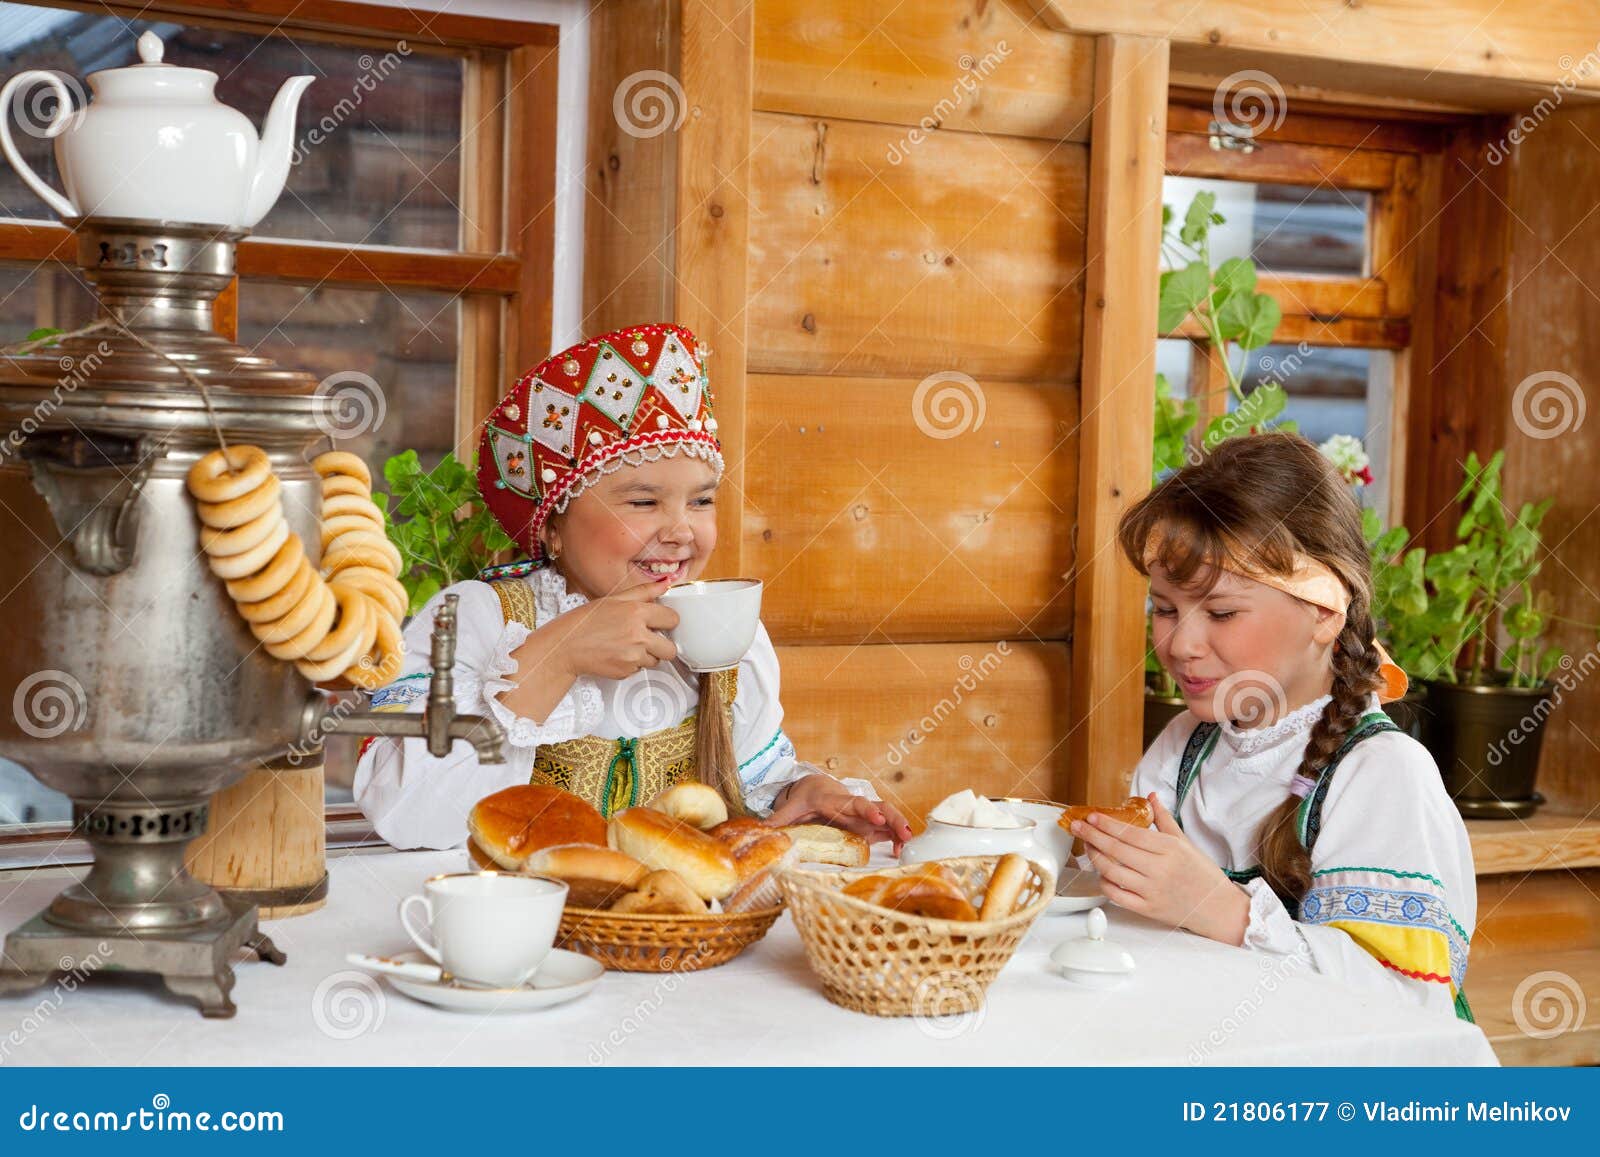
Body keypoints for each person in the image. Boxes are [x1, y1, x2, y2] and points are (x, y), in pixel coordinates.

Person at [353, 322, 912, 853]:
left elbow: (752, 778)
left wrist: (799, 793)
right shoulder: (476, 618)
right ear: (552, 527)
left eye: (702, 500)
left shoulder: (728, 634)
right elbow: (406, 815)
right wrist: (557, 657)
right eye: (644, 501)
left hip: (672, 920)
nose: (681, 531)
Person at [1072, 433, 1475, 1020]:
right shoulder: (1184, 745)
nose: (1180, 644)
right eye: (1165, 609)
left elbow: (1407, 1008)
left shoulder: (1384, 773)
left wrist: (1224, 911)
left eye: (1221, 612)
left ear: (1324, 613)